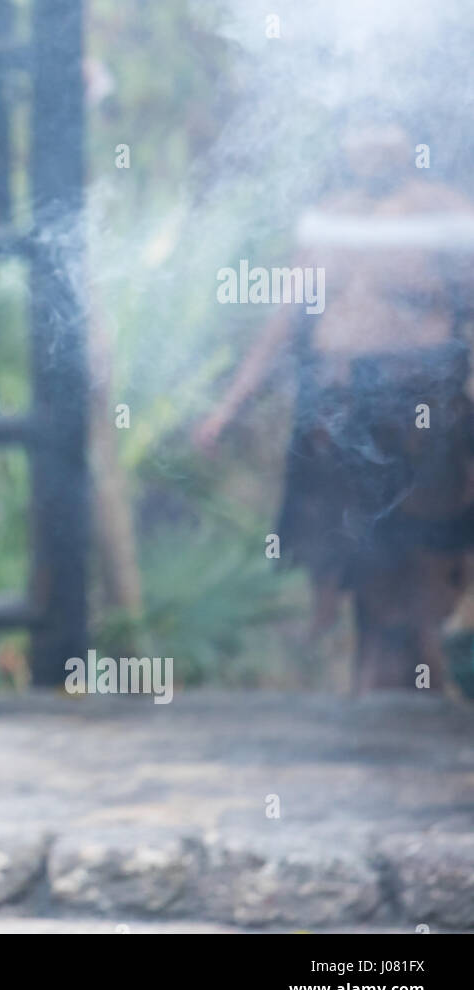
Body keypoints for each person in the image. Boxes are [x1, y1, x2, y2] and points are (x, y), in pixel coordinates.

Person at [195, 124, 474, 694]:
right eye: (359, 130)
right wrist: (229, 406)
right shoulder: (328, 217)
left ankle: (430, 673)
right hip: (339, 405)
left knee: (424, 549)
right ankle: (372, 684)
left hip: (423, 403)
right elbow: (284, 322)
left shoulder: (447, 213)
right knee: (358, 555)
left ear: (408, 137)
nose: (369, 144)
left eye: (384, 129)